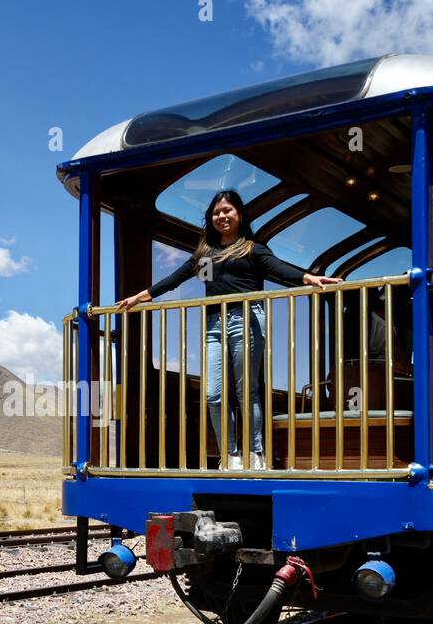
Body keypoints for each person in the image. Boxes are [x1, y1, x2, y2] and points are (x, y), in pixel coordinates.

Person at [116, 189, 341, 470]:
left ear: (240, 215)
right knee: (213, 394)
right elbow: (176, 278)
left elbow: (278, 268)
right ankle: (231, 455)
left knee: (247, 391)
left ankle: (256, 453)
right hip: (214, 325)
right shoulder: (206, 253)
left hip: (246, 320)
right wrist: (141, 296)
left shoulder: (252, 248)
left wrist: (308, 278)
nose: (221, 216)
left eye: (227, 211)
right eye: (216, 212)